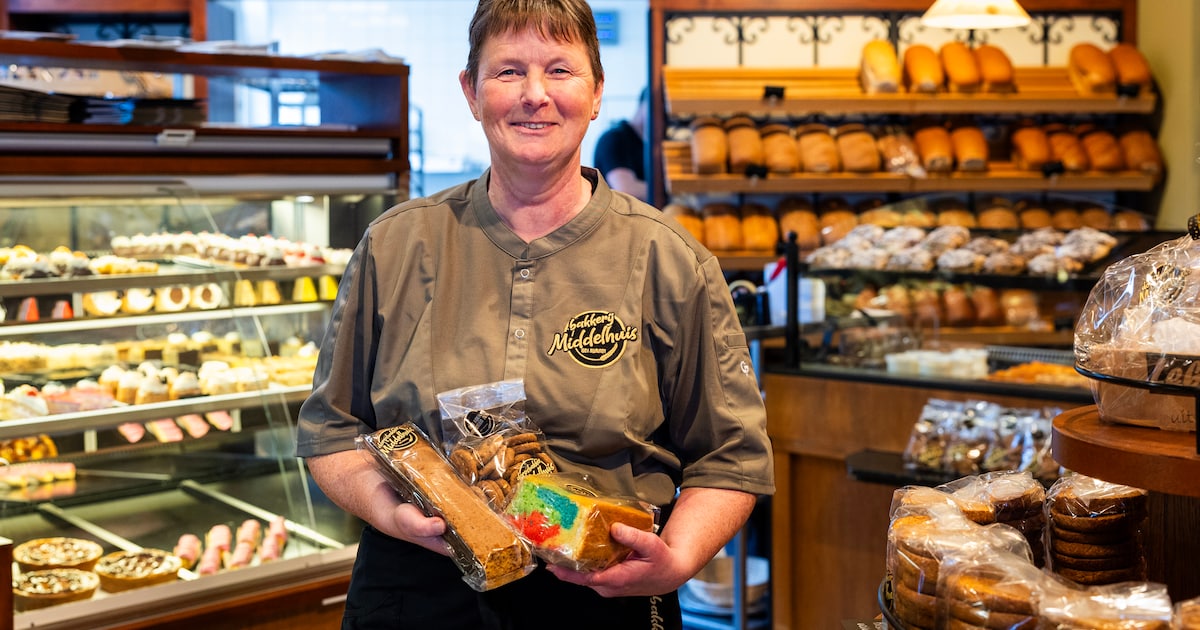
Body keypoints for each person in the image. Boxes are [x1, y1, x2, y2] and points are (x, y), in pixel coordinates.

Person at [295, 1, 774, 628]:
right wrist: (391, 513)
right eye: (507, 72)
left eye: (560, 70)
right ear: (471, 92)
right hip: (416, 588)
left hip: (601, 596)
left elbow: (732, 456)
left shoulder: (670, 260)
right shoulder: (395, 244)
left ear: (597, 92)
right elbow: (332, 430)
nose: (534, 95)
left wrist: (678, 557)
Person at [592, 86, 649, 201]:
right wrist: (670, 190)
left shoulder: (646, 144)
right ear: (645, 105)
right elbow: (626, 189)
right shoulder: (614, 138)